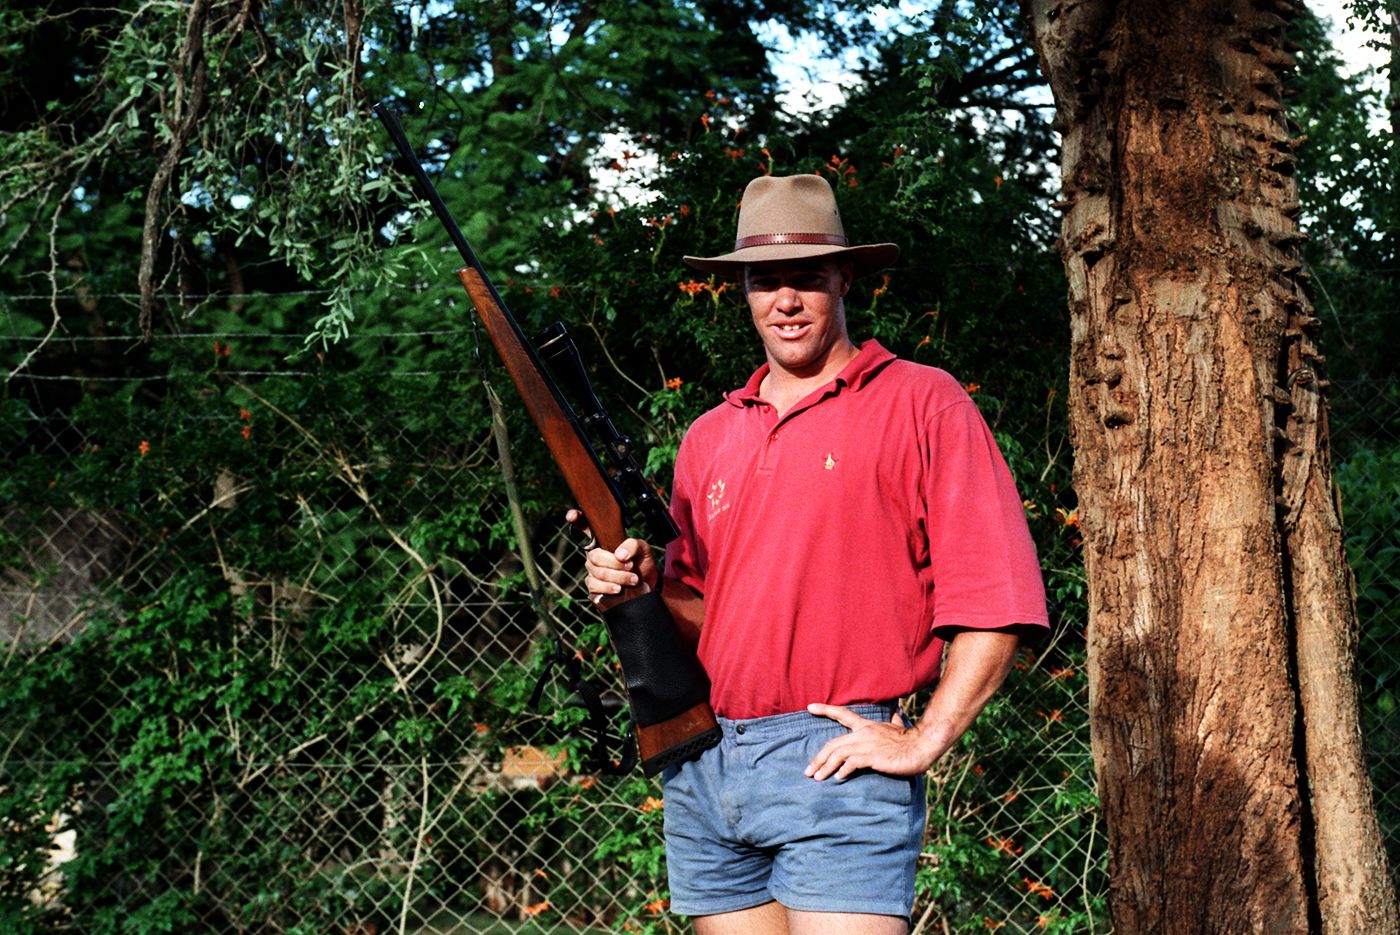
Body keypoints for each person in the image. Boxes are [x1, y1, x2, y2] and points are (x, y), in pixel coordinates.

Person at [570, 174, 1048, 934]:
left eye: (806, 278)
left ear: (844, 278)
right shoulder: (708, 435)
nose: (785, 301)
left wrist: (925, 738)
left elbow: (997, 596)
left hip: (839, 755)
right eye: (766, 280)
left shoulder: (923, 402)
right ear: (744, 291)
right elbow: (704, 618)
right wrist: (638, 585)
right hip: (707, 758)